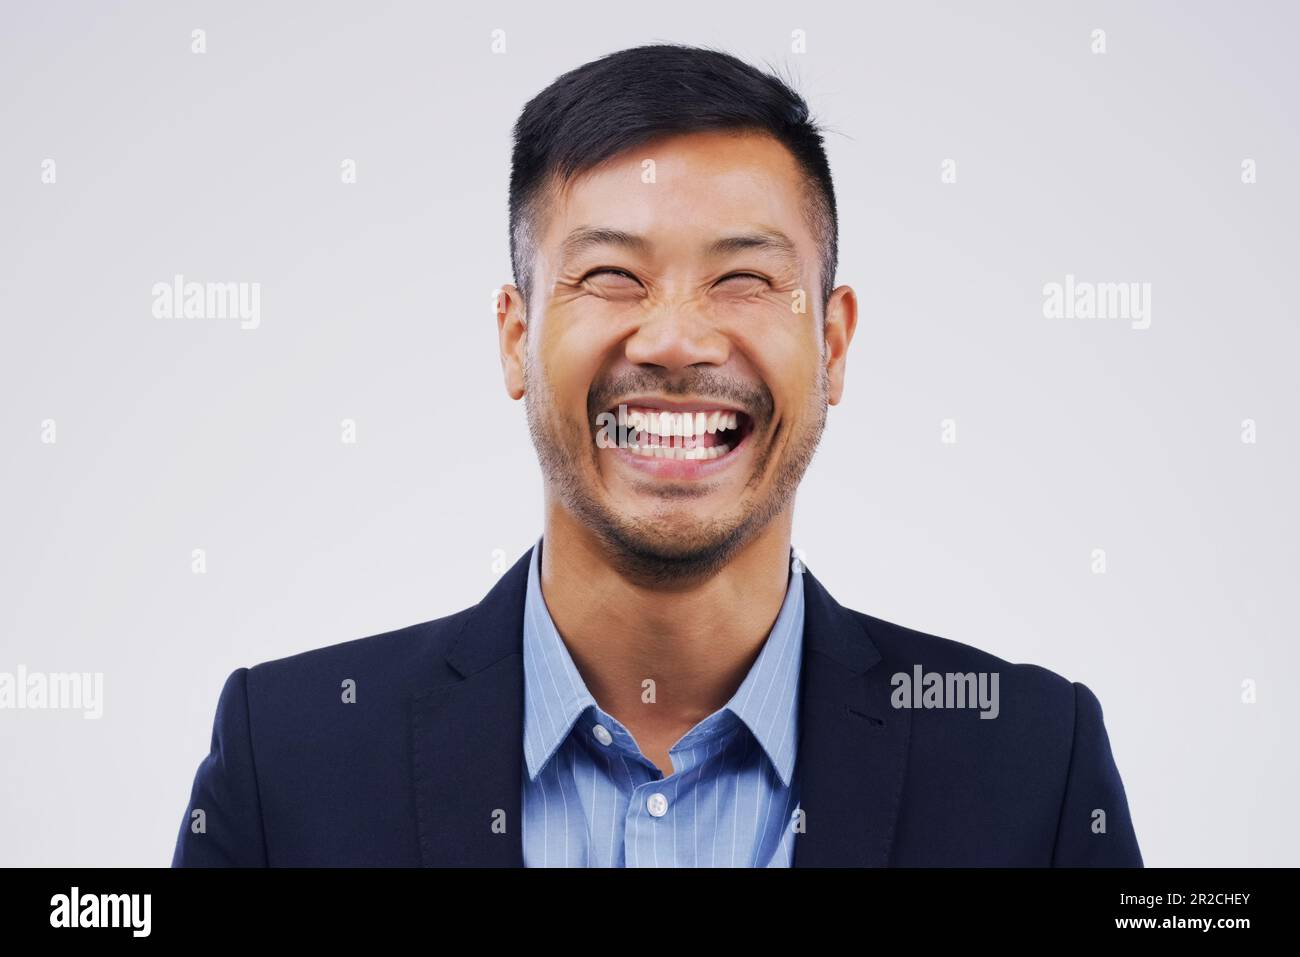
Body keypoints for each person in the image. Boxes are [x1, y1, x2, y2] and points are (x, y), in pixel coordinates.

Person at [172, 43, 1141, 867]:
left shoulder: (1028, 768)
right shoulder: (289, 761)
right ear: (515, 337)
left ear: (833, 346)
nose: (675, 341)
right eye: (610, 276)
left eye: (744, 278)